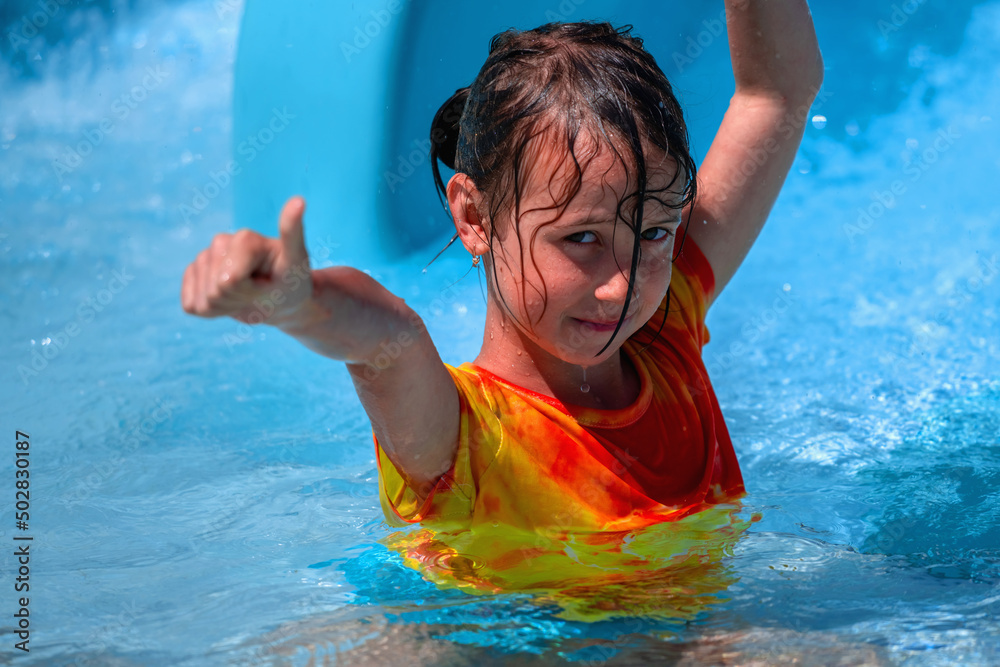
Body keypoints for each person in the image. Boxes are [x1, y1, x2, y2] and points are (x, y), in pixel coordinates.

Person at [181, 2, 823, 540]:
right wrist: (301, 302)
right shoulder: (463, 442)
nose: (622, 285)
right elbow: (386, 337)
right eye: (582, 239)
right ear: (474, 217)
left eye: (654, 233)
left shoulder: (669, 331)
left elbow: (778, 92)